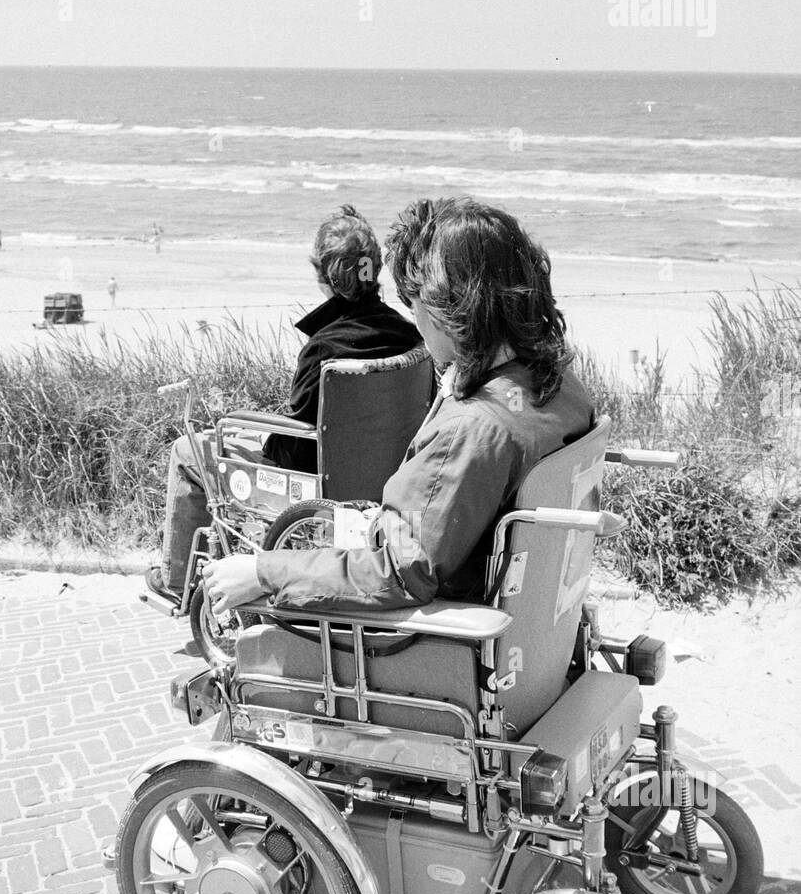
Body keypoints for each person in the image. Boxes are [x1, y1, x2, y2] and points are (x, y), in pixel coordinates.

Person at [201, 197, 595, 618]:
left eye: (416, 303)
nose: (417, 320)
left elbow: (396, 572)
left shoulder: (472, 431)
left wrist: (263, 572)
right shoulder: (564, 390)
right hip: (533, 617)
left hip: (425, 639)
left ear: (451, 306)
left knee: (240, 639)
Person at [146, 205, 419, 602]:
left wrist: (258, 432)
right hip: (385, 474)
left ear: (323, 276)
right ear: (373, 270)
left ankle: (176, 583)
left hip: (314, 480)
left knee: (188, 450)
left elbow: (292, 446)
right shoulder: (409, 336)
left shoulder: (325, 348)